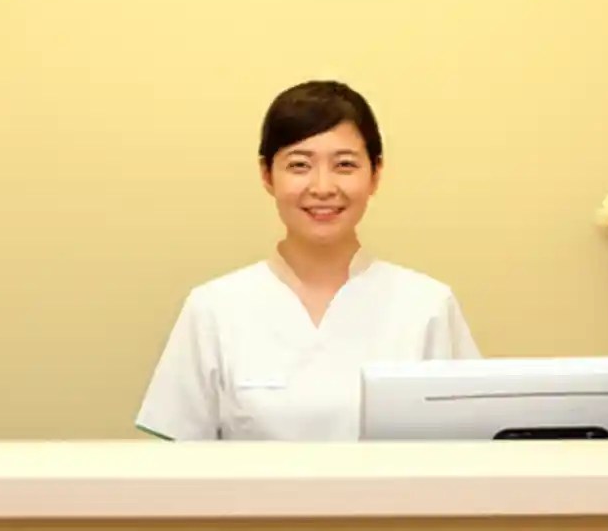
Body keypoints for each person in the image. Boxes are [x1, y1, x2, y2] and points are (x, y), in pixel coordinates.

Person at [135, 80, 480, 441]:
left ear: (376, 173)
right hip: (249, 501)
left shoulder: (427, 306)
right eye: (299, 165)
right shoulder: (213, 308)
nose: (322, 187)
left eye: (344, 165)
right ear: (267, 174)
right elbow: (178, 470)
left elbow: (469, 455)